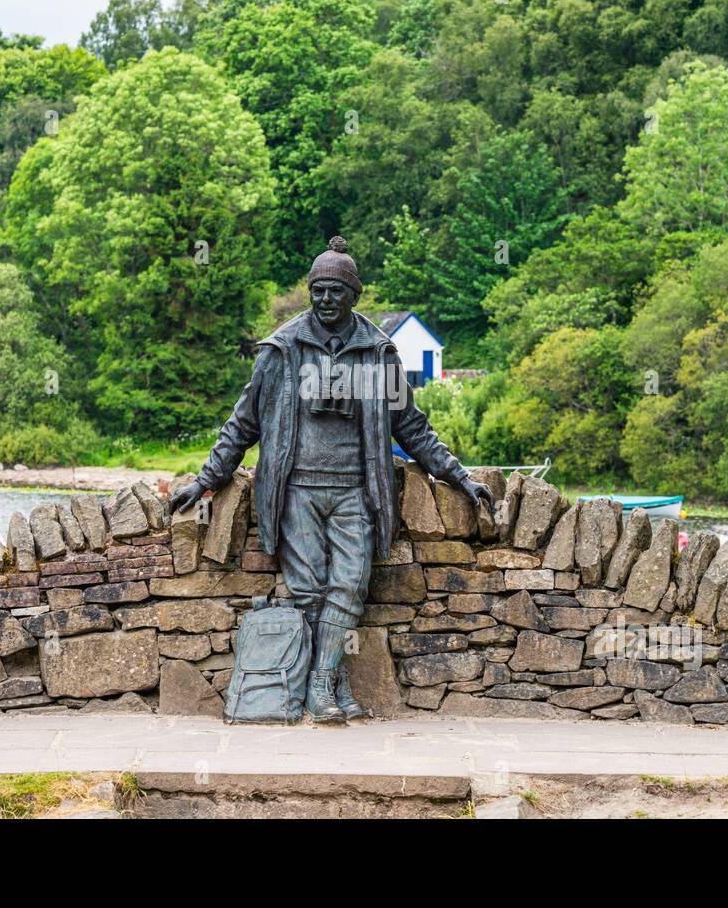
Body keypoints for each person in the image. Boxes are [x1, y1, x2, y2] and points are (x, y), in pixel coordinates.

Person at [170, 236, 493, 722]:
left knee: (349, 585)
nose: (325, 299)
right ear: (310, 291)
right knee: (308, 590)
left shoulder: (377, 352)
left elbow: (411, 426)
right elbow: (244, 422)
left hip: (354, 491)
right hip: (294, 488)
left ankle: (320, 682)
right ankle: (329, 681)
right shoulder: (281, 351)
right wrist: (207, 480)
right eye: (318, 290)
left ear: (354, 295)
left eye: (335, 291)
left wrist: (458, 475)